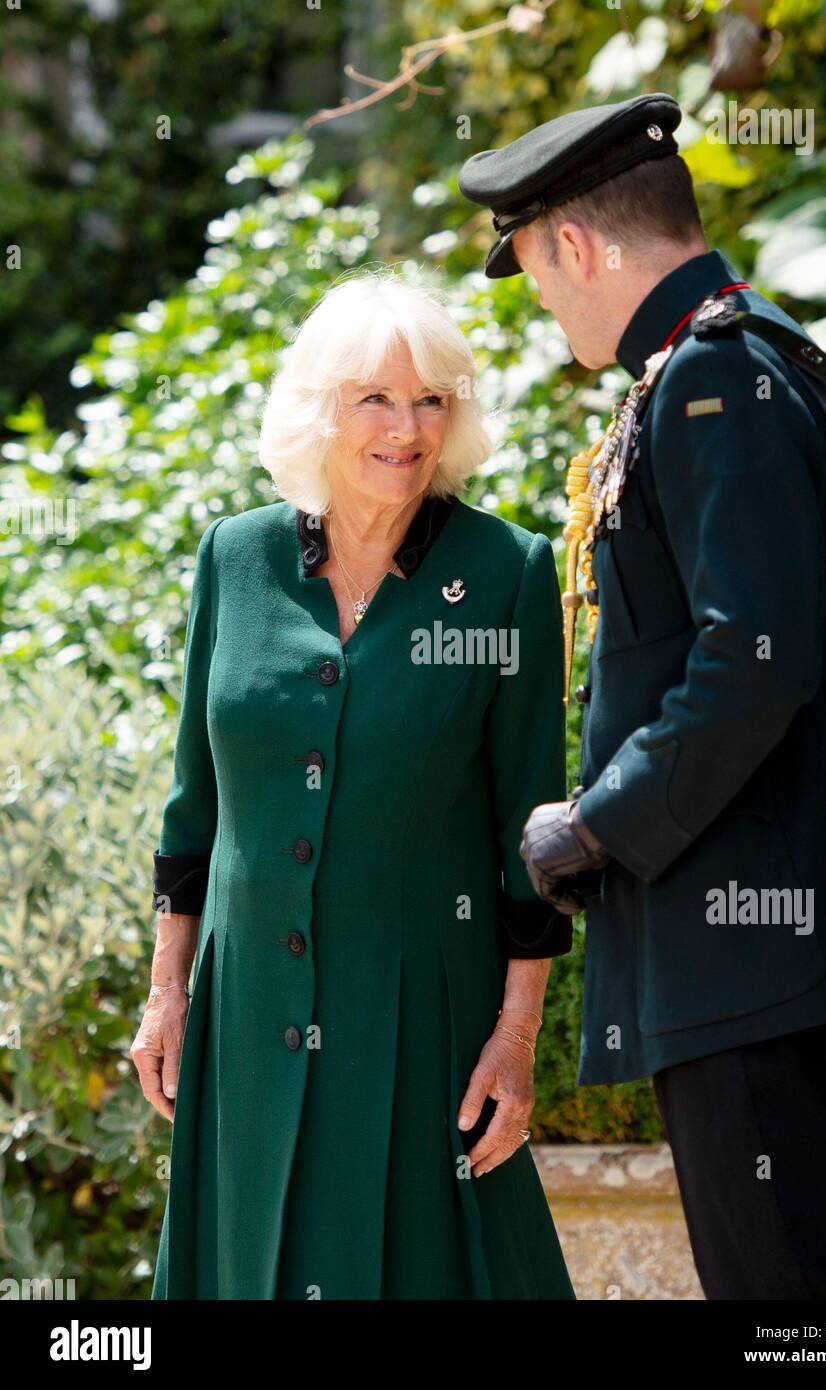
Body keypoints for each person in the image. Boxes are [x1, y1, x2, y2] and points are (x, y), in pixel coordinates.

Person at [459, 94, 826, 1300]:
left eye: (529, 267)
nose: (543, 301)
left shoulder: (714, 382)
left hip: (757, 961)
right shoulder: (750, 358)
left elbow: (753, 661)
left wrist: (595, 824)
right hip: (768, 955)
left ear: (572, 245)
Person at [133, 270, 576, 1300]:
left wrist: (516, 1038)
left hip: (418, 1013)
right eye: (375, 397)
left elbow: (536, 840)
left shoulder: (504, 572)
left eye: (430, 400)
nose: (406, 428)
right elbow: (191, 804)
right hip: (245, 1009)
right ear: (319, 406)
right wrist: (166, 991)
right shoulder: (232, 558)